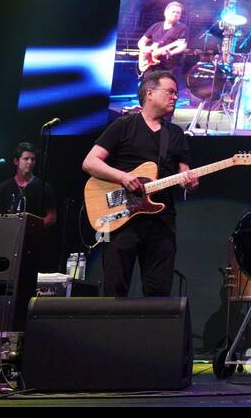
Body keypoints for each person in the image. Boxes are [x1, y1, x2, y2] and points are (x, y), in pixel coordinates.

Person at [82, 69, 197, 297]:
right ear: (150, 93)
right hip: (123, 216)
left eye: (176, 93)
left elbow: (185, 175)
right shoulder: (124, 125)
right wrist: (123, 177)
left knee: (159, 290)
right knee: (116, 286)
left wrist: (190, 182)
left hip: (161, 220)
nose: (176, 97)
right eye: (170, 92)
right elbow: (90, 162)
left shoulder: (175, 134)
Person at [0, 142, 57, 226]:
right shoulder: (3, 187)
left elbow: (52, 217)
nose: (30, 162)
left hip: (32, 236)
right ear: (16, 161)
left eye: (33, 159)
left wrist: (31, 228)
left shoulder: (44, 187)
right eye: (26, 159)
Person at [138, 1, 190, 94]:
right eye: (173, 11)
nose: (176, 14)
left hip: (169, 65)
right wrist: (146, 49)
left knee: (164, 90)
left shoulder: (182, 28)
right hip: (150, 64)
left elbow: (182, 45)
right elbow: (141, 42)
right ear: (165, 12)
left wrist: (172, 52)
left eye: (178, 13)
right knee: (147, 88)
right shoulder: (156, 26)